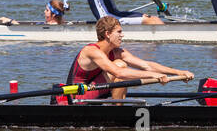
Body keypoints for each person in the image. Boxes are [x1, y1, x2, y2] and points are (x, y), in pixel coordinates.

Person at [63, 16, 193, 102]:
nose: (122, 35)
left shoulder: (116, 52)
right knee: (120, 66)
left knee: (121, 64)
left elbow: (146, 65)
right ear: (107, 34)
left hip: (96, 92)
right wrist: (155, 76)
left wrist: (179, 72)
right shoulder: (91, 51)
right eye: (119, 32)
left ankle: (117, 107)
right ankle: (117, 110)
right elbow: (119, 73)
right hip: (77, 97)